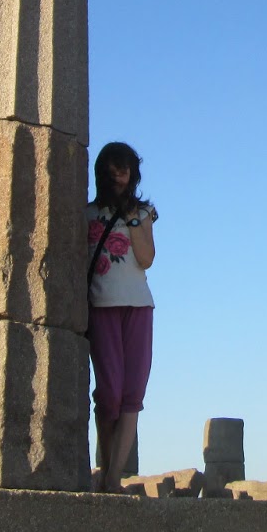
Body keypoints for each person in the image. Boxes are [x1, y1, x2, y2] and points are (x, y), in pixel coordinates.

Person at [86, 140, 158, 493]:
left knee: (132, 394)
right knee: (109, 393)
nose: (119, 175)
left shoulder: (144, 213)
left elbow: (146, 258)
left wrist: (131, 217)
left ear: (133, 173)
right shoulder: (86, 214)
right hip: (100, 307)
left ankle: (113, 476)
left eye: (125, 168)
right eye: (113, 169)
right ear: (102, 172)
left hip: (139, 307)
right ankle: (104, 465)